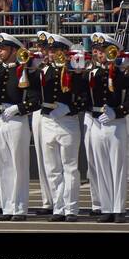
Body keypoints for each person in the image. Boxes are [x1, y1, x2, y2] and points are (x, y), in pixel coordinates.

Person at [0, 32, 40, 221]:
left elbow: (35, 101)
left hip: (16, 119)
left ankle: (19, 208)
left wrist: (19, 108)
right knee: (3, 165)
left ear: (13, 50)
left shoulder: (23, 70)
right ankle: (7, 207)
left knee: (18, 165)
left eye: (2, 48)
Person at [33, 33, 86, 222]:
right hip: (48, 121)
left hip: (67, 121)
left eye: (55, 50)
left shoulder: (73, 69)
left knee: (70, 167)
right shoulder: (43, 70)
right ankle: (58, 207)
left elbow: (83, 96)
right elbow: (34, 92)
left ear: (64, 51)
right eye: (51, 50)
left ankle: (71, 209)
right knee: (52, 167)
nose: (52, 54)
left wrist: (69, 107)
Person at [84, 31, 126, 224]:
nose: (98, 54)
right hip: (96, 122)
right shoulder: (91, 73)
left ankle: (118, 208)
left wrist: (117, 112)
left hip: (114, 122)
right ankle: (107, 207)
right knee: (101, 167)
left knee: (117, 166)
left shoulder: (122, 73)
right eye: (96, 50)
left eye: (102, 50)